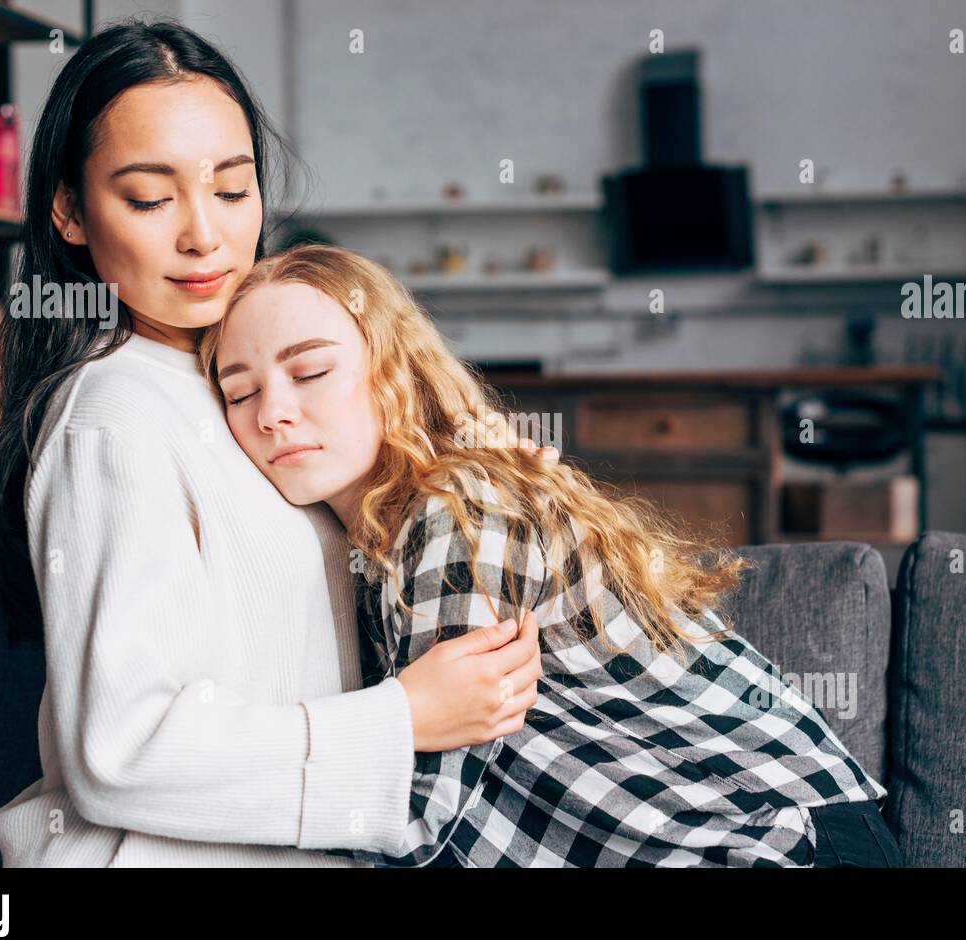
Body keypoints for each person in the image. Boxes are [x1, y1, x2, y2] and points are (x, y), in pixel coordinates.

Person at [0, 18, 545, 867]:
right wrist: (404, 719)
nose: (203, 234)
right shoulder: (114, 414)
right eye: (148, 198)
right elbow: (119, 752)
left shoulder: (237, 382)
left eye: (233, 189)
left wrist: (481, 482)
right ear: (69, 210)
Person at [200, 243, 903, 867]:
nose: (272, 412)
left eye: (312, 371)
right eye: (239, 391)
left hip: (784, 842)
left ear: (394, 375)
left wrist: (189, 784)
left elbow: (417, 819)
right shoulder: (376, 550)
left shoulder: (453, 512)